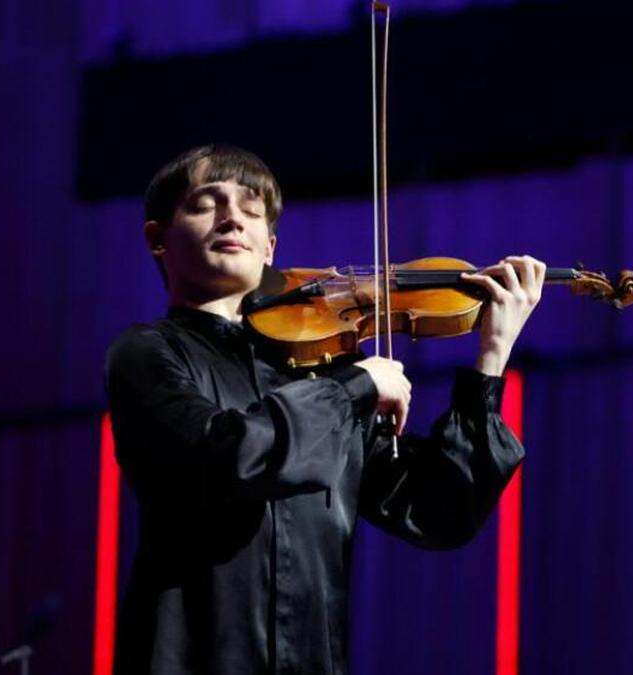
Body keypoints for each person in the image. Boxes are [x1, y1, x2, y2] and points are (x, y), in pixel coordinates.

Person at [105, 144, 545, 674]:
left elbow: (436, 512)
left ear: (271, 247)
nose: (231, 218)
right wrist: (355, 386)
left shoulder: (316, 368)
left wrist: (491, 357)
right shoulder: (147, 352)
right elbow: (223, 457)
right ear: (158, 240)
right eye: (206, 203)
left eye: (250, 208)